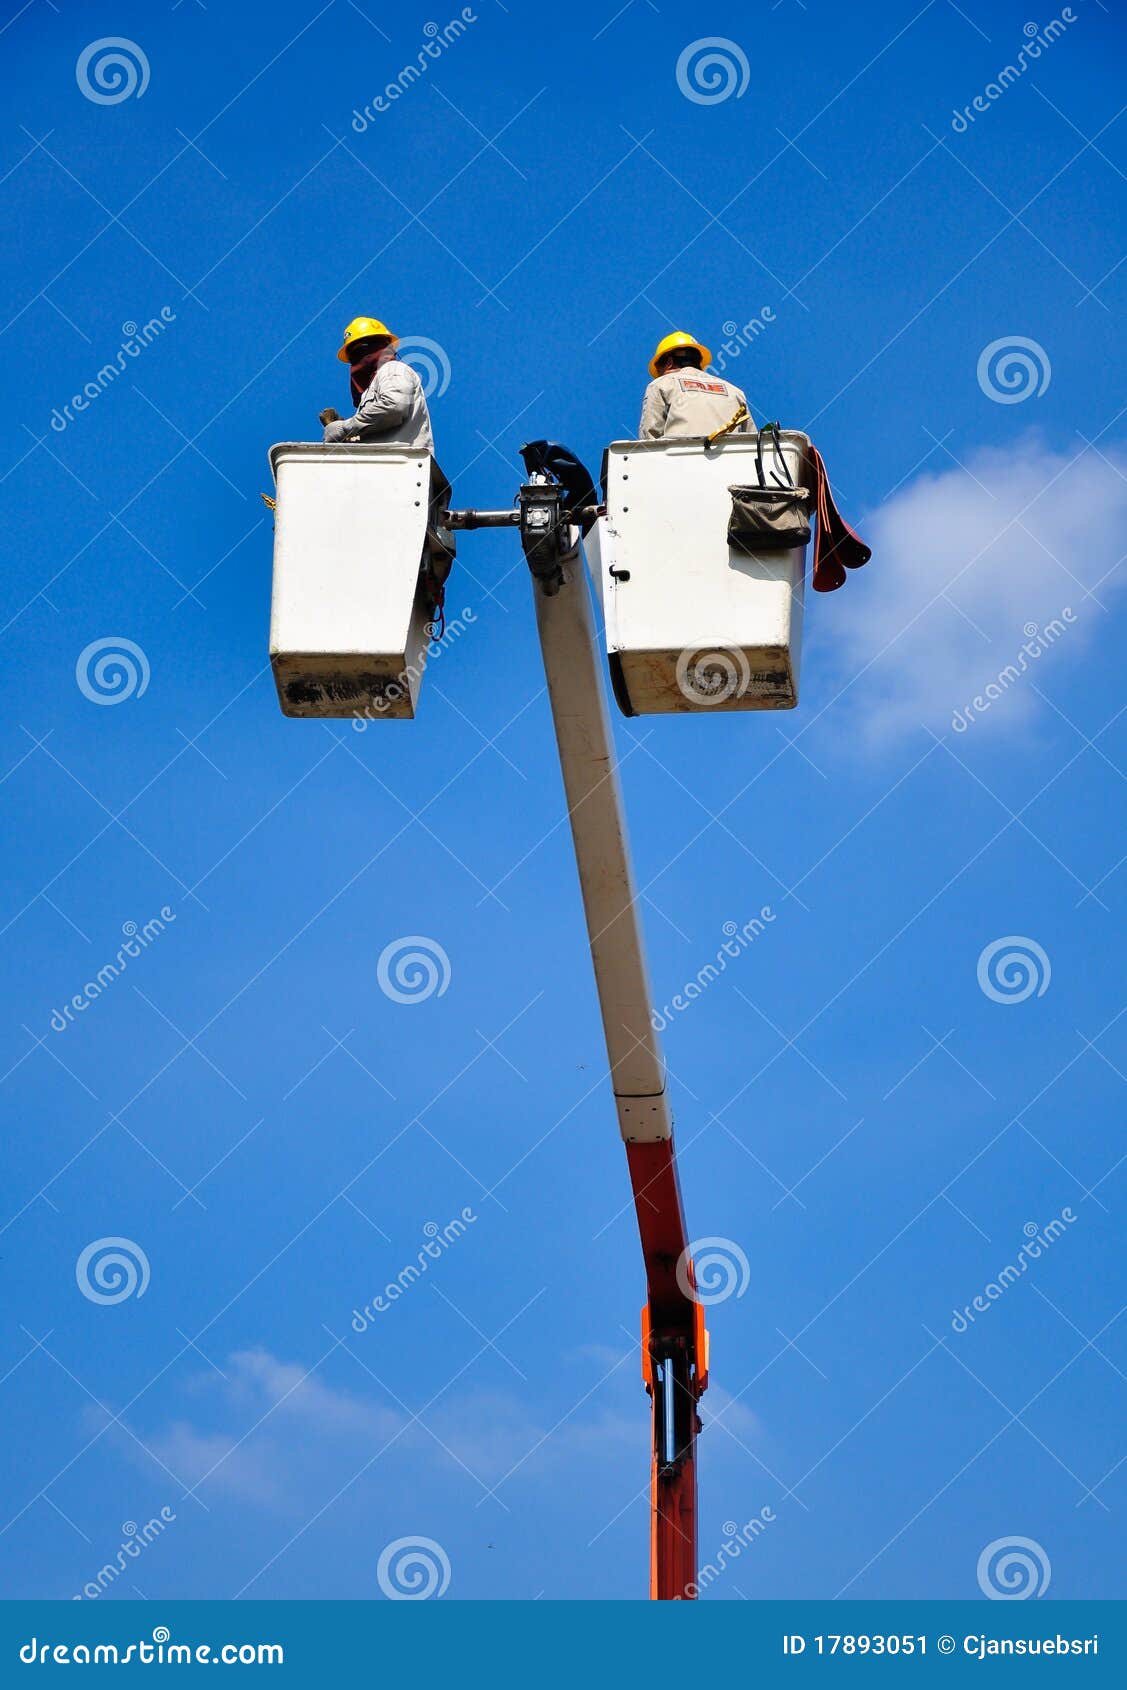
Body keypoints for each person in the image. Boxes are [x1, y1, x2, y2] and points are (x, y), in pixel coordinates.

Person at [320, 316, 433, 450]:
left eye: (360, 350)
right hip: (381, 465)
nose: (359, 360)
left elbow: (394, 407)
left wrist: (345, 428)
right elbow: (374, 436)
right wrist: (345, 436)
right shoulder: (374, 386)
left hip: (400, 464)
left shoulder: (392, 369)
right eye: (353, 356)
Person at [638, 331, 752, 441]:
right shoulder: (735, 392)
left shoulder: (660, 385)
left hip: (679, 458)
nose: (659, 375)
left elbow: (649, 441)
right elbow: (752, 442)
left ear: (669, 363)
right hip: (729, 459)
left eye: (658, 371)